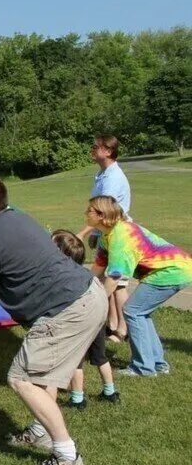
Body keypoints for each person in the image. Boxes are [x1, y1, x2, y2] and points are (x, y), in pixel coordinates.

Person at [0, 174, 107, 465]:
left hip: (67, 309)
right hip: (90, 294)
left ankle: (67, 455)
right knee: (43, 375)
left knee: (21, 378)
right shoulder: (18, 218)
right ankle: (40, 432)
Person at [87, 196, 192, 377]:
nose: (86, 213)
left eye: (90, 210)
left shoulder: (121, 236)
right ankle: (158, 363)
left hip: (172, 271)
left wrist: (95, 301)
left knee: (132, 311)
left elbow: (114, 276)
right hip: (174, 269)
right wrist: (82, 287)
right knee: (140, 312)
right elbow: (98, 268)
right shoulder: (107, 234)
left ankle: (143, 367)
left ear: (102, 215)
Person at [50, 230, 120, 408]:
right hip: (97, 320)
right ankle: (110, 392)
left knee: (76, 362)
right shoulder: (86, 274)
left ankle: (77, 399)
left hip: (80, 323)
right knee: (101, 358)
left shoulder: (62, 278)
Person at [76, 135, 132, 342]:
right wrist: (97, 234)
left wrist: (83, 234)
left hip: (118, 235)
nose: (92, 150)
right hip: (107, 234)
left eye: (96, 147)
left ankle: (123, 329)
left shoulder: (113, 177)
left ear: (108, 151)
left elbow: (103, 211)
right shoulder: (102, 175)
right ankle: (113, 325)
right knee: (106, 281)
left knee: (119, 283)